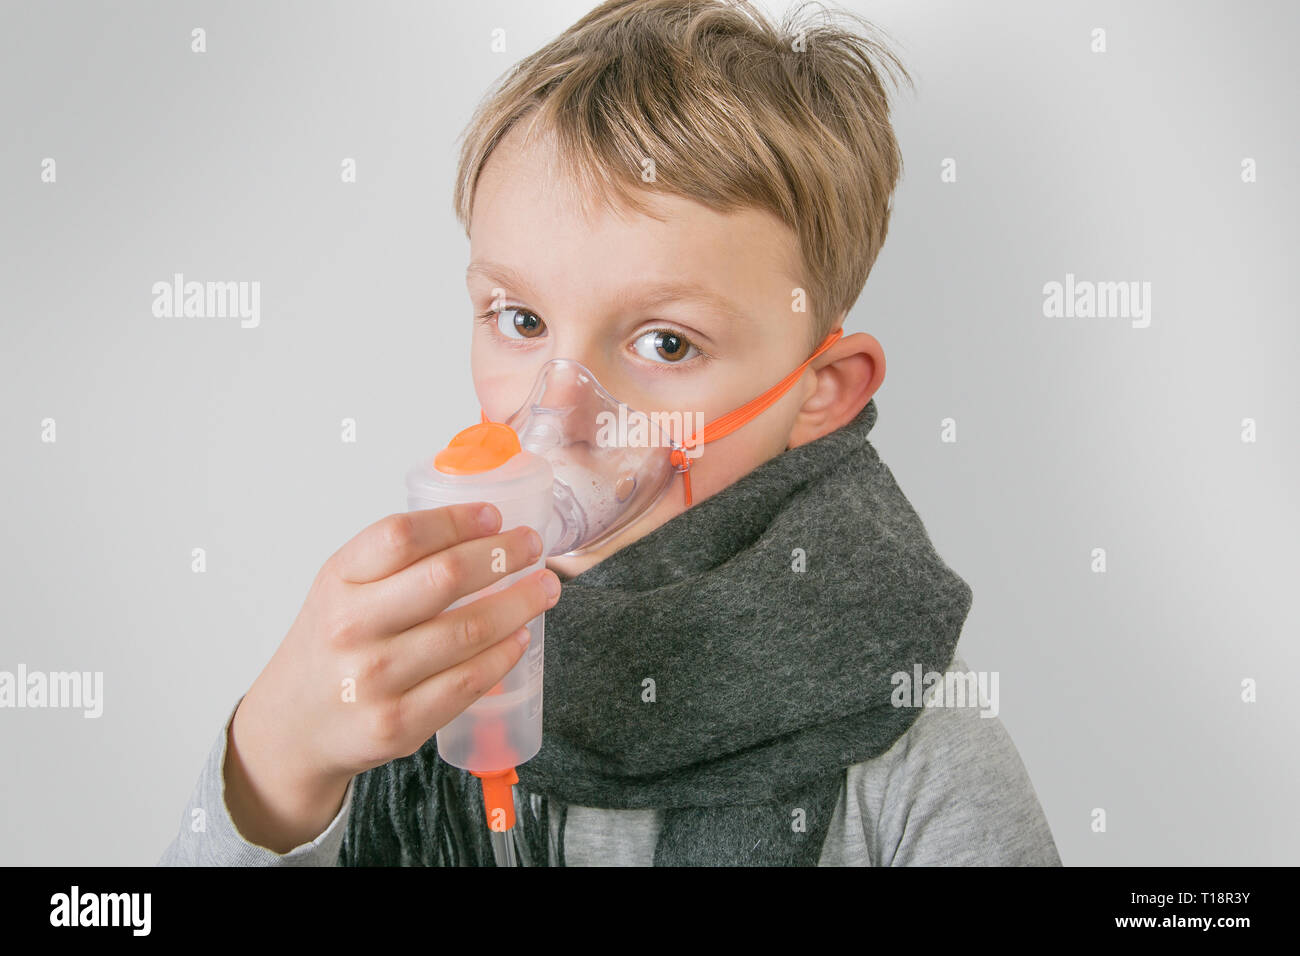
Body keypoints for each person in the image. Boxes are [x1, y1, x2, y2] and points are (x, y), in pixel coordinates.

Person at [159, 0, 1060, 866]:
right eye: (518, 320)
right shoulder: (387, 681)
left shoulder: (917, 747)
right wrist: (276, 755)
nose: (562, 414)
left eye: (666, 342)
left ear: (819, 391)